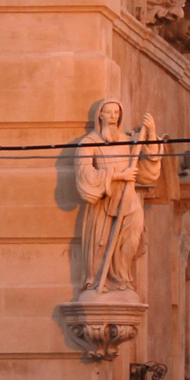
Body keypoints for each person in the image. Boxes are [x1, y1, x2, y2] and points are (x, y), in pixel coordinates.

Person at [74, 100, 161, 295]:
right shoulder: (90, 144)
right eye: (109, 112)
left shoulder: (129, 142)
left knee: (133, 235)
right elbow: (85, 175)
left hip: (129, 200)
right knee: (102, 243)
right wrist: (118, 175)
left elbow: (148, 170)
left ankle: (122, 278)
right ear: (100, 116)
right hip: (104, 204)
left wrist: (152, 134)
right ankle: (101, 281)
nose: (113, 116)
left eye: (116, 113)